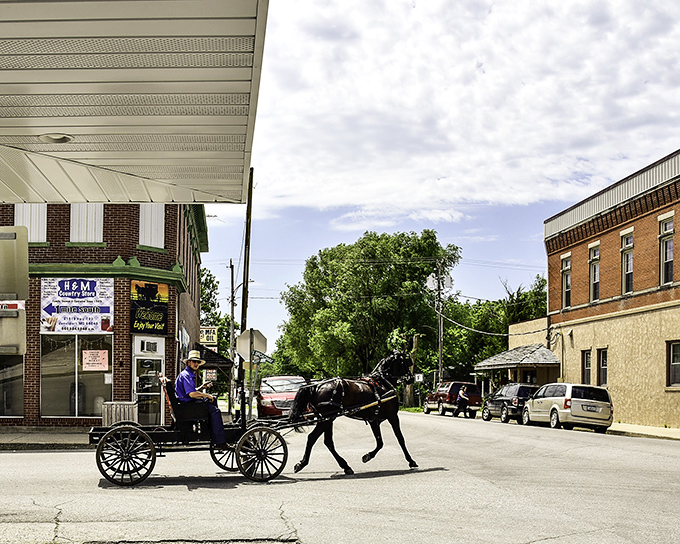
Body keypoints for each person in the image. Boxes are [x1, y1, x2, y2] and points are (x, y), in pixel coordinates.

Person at [175, 350, 227, 447]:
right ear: (188, 362)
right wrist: (207, 396)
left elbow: (191, 391)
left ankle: (213, 430)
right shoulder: (186, 375)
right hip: (187, 406)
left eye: (198, 362)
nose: (196, 364)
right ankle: (219, 440)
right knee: (215, 411)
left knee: (213, 400)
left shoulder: (187, 374)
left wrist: (202, 387)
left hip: (187, 403)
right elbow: (192, 394)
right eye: (194, 361)